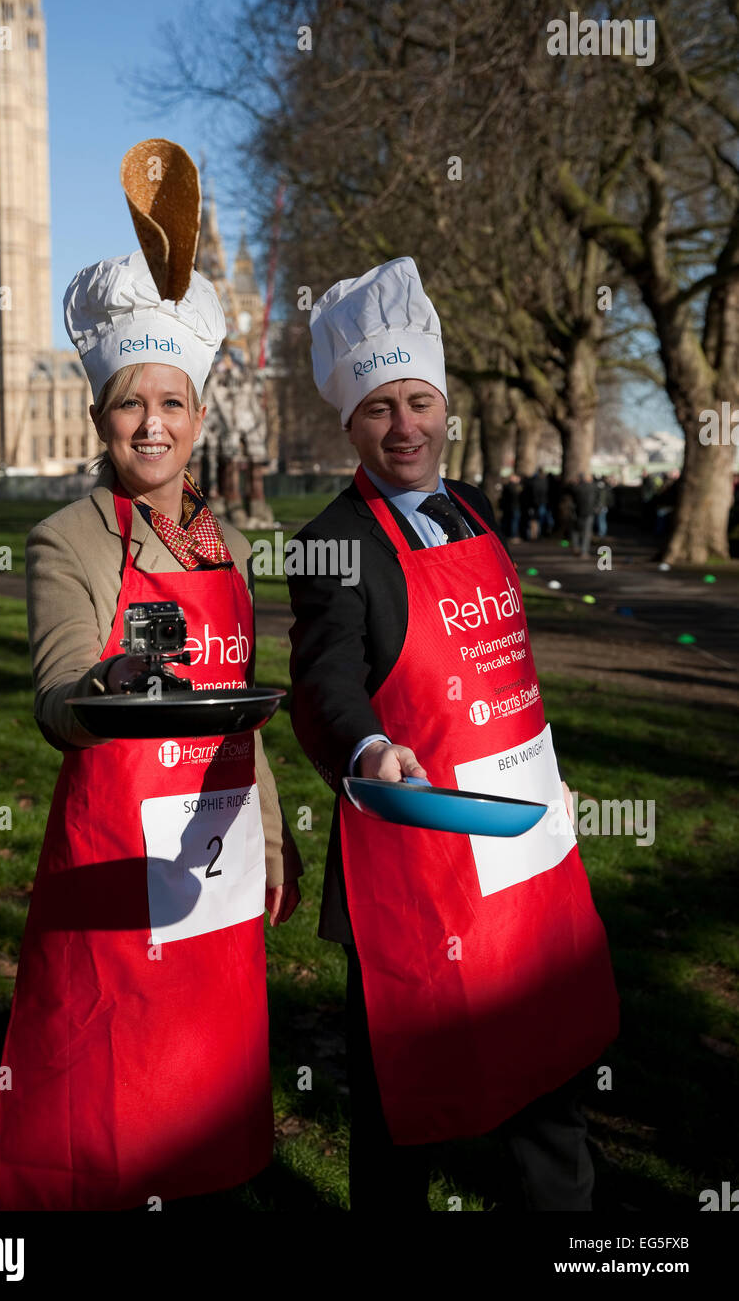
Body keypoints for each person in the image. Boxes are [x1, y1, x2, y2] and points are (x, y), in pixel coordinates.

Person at [286, 256, 619, 1212]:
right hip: (414, 865)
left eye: (420, 403)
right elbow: (323, 681)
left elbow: (503, 668)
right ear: (351, 423)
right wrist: (366, 750)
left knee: (549, 1093)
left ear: (446, 408)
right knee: (406, 1106)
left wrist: (547, 773)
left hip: (523, 845)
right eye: (381, 408)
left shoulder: (472, 509)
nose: (406, 428)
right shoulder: (331, 539)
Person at [0, 246, 302, 1211]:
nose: (152, 425)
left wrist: (277, 838)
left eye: (171, 404)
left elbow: (243, 709)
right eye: (132, 405)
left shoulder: (234, 547)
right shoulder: (68, 538)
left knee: (206, 1092)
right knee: (111, 1092)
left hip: (215, 861)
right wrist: (111, 681)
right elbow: (56, 700)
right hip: (116, 860)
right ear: (101, 421)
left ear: (199, 420)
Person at [571, 474, 598, 556]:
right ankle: (584, 551)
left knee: (576, 531)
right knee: (586, 533)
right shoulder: (593, 487)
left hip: (578, 512)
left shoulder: (576, 488)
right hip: (589, 512)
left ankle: (576, 548)